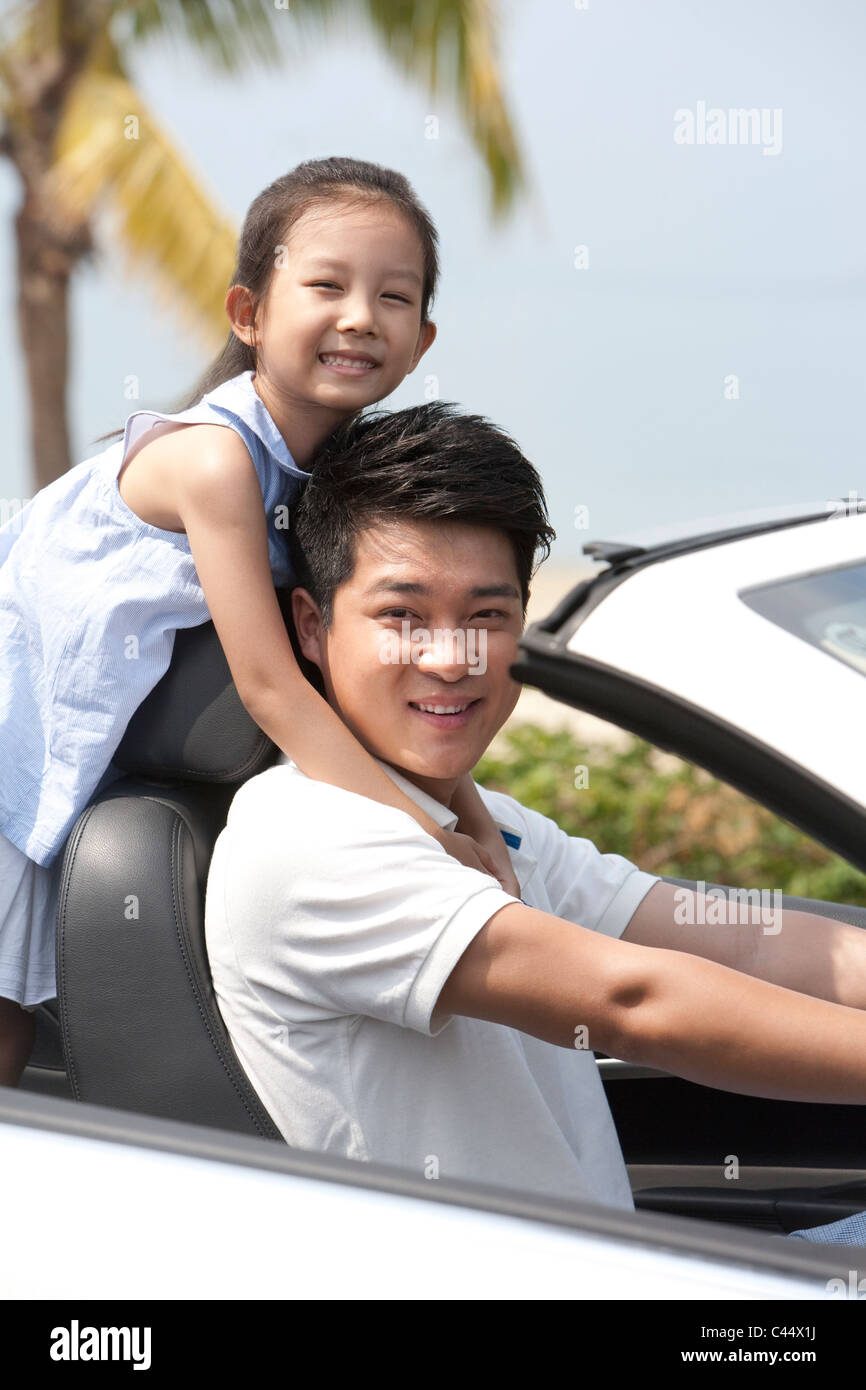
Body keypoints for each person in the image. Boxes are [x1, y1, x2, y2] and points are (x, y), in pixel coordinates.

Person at [204, 399, 866, 1246]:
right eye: (402, 616)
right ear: (311, 625)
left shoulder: (492, 826)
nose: (451, 659)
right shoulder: (304, 839)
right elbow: (636, 1000)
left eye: (486, 616)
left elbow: (749, 942)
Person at [0, 156, 517, 1088]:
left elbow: (352, 687)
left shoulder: (336, 478)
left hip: (66, 773)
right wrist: (432, 839)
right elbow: (275, 685)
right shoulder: (215, 462)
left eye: (394, 297)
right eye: (326, 285)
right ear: (248, 314)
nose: (361, 315)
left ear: (423, 338)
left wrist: (476, 823)